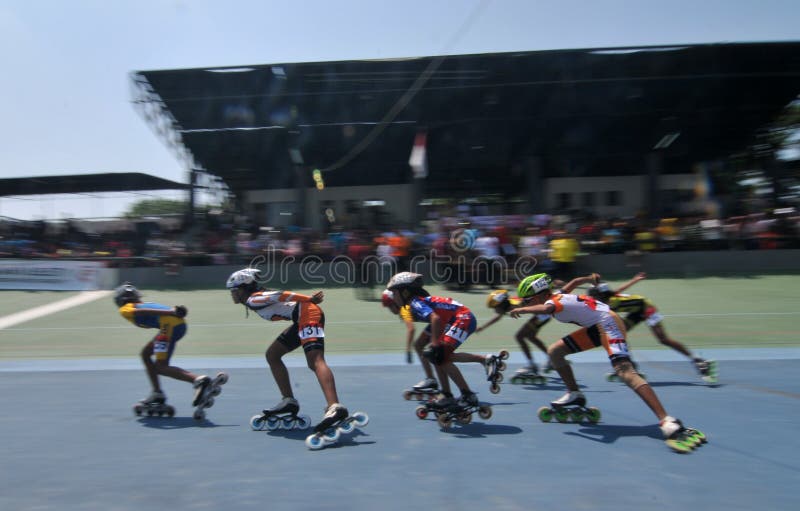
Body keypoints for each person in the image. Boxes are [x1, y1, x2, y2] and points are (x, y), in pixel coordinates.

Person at [510, 273, 705, 453]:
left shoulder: (553, 302)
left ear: (541, 294)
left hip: (608, 324)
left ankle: (666, 420)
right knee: (555, 351)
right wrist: (589, 278)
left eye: (528, 299)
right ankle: (574, 394)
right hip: (595, 326)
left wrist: (523, 309)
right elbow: (575, 282)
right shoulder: (558, 295)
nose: (527, 303)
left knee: (625, 372)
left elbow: (546, 308)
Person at [226, 268, 348, 433]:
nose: (232, 294)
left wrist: (309, 299)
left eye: (234, 290)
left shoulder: (254, 299)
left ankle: (334, 406)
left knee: (315, 361)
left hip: (308, 315)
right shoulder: (253, 299)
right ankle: (288, 400)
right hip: (301, 318)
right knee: (273, 355)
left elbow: (281, 295)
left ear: (243, 288)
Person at [386, 271, 504, 410]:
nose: (393, 297)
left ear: (405, 292)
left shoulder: (415, 302)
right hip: (454, 318)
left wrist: (435, 344)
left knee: (439, 355)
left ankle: (468, 395)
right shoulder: (415, 302)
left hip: (461, 318)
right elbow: (436, 319)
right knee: (435, 356)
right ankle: (447, 394)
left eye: (394, 293)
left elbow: (435, 319)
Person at [588, 272, 717, 382]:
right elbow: (618, 290)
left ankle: (700, 361)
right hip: (636, 311)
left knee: (663, 339)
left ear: (602, 296)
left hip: (647, 308)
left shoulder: (610, 303)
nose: (591, 299)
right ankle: (628, 366)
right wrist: (634, 280)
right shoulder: (607, 297)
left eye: (593, 296)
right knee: (619, 335)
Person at [115, 282, 222, 410]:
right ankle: (157, 393)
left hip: (169, 326)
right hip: (175, 325)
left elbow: (140, 312)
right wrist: (173, 311)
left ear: (121, 300)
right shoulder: (141, 304)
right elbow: (150, 310)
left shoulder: (125, 309)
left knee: (160, 367)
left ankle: (199, 380)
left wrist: (171, 311)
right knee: (146, 354)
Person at [476, 289, 552, 378]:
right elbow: (498, 317)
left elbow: (533, 302)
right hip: (541, 314)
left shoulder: (516, 304)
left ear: (502, 304)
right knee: (530, 337)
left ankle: (532, 365)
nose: (495, 311)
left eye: (495, 308)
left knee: (519, 336)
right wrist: (482, 327)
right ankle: (551, 357)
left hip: (543, 314)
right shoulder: (507, 305)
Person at [381, 289, 438, 395]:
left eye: (390, 306)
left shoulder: (404, 309)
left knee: (432, 351)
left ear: (395, 302)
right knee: (419, 346)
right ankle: (431, 379)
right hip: (438, 320)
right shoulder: (405, 307)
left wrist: (408, 350)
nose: (390, 310)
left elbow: (411, 329)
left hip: (440, 320)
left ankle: (433, 380)